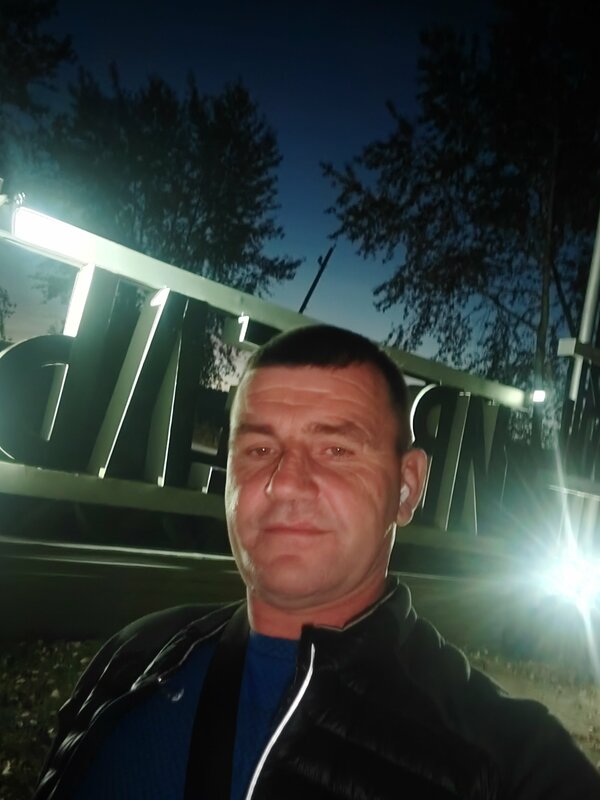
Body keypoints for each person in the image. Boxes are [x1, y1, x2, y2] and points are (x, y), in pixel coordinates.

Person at [35, 324, 600, 799]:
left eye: (335, 450)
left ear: (406, 487)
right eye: (259, 450)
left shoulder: (513, 762)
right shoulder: (138, 655)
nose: (284, 484)